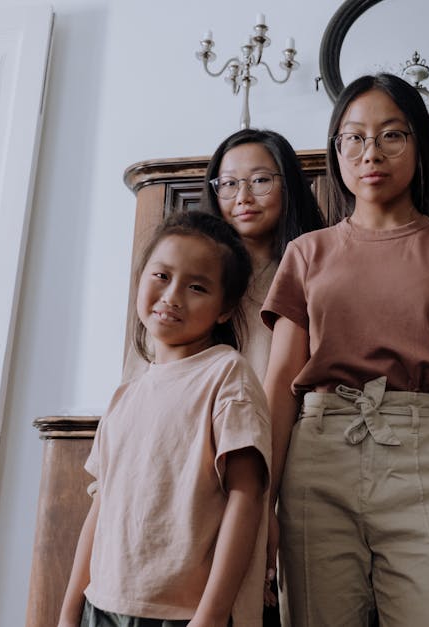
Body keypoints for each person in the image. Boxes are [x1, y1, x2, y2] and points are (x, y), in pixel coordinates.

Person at [260, 73, 429, 627]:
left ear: (420, 145)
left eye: (392, 135)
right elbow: (279, 386)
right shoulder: (305, 254)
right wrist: (263, 507)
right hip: (317, 458)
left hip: (424, 457)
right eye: (353, 137)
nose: (370, 152)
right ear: (337, 150)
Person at [58, 211, 270, 627]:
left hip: (181, 614)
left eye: (196, 287)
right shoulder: (127, 392)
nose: (172, 296)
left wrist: (209, 617)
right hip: (101, 605)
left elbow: (247, 499)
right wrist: (69, 610)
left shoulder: (227, 376)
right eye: (161, 276)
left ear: (225, 308)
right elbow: (101, 505)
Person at [200, 128, 326, 381]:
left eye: (259, 180)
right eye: (228, 184)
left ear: (287, 185)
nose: (243, 198)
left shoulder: (319, 271)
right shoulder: (199, 277)